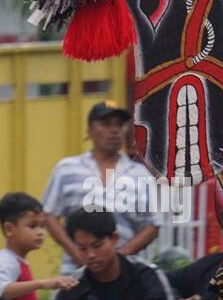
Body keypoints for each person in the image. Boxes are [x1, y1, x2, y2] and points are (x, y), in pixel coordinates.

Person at [41, 102, 159, 274]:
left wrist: (118, 257)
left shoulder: (140, 175)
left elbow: (153, 225)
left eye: (119, 125)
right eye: (106, 124)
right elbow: (49, 215)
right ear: (89, 131)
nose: (114, 131)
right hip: (75, 272)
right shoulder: (67, 169)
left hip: (124, 276)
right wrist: (76, 253)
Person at [56, 210, 173, 300]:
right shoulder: (73, 286)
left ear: (114, 239)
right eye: (82, 248)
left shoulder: (146, 276)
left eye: (97, 246)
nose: (90, 255)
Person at [0, 192, 75, 300]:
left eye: (42, 226)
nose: (40, 232)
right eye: (32, 226)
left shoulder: (16, 260)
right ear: (9, 229)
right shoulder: (6, 260)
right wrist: (42, 284)